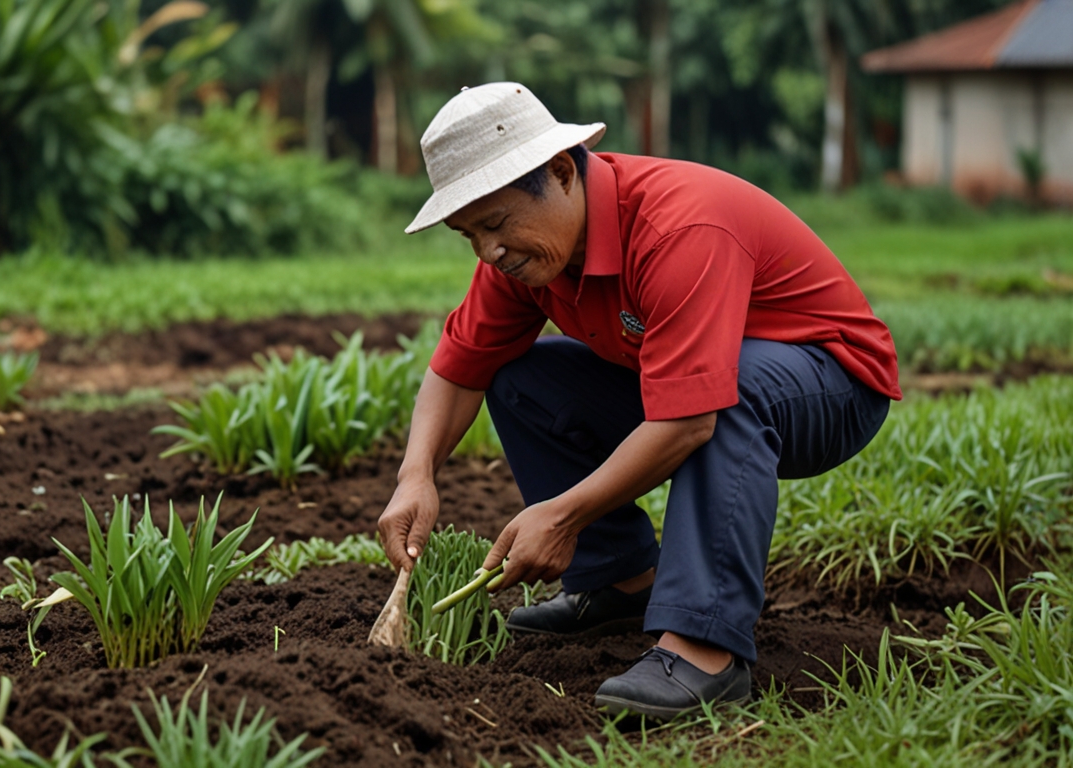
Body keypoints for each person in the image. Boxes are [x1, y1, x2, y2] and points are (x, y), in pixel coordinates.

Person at [377, 82, 901, 720]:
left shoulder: (677, 225)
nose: (489, 252)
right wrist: (415, 475)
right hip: (701, 385)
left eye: (495, 224)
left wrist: (561, 517)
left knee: (724, 394)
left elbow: (690, 420)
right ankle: (619, 583)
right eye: (468, 235)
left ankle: (704, 648)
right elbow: (460, 368)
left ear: (561, 172)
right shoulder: (527, 258)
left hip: (833, 383)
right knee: (520, 378)